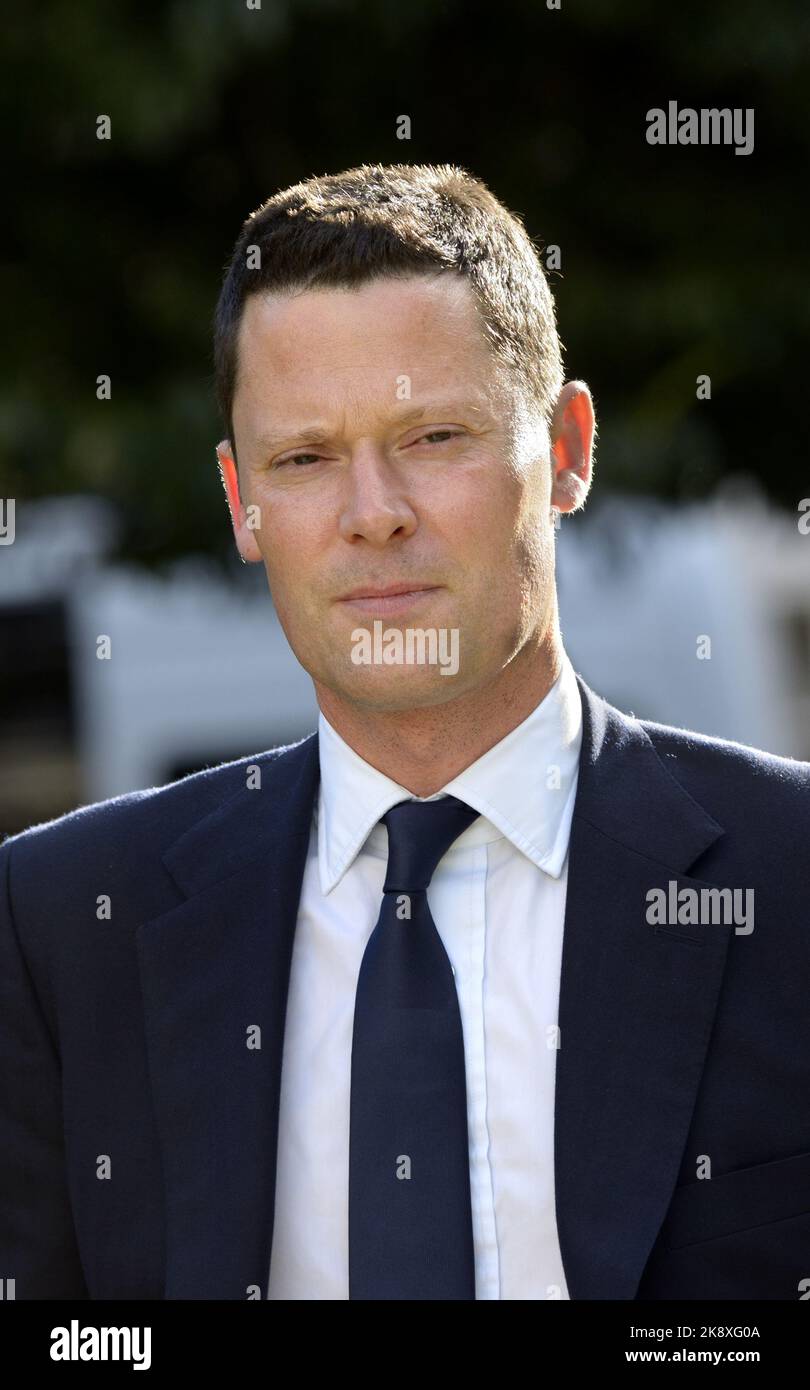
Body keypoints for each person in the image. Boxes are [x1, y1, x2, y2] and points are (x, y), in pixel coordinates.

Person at [1, 163, 808, 1301]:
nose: (372, 512)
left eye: (433, 436)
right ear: (242, 501)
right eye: (304, 457)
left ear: (568, 449)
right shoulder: (67, 923)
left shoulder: (792, 875)